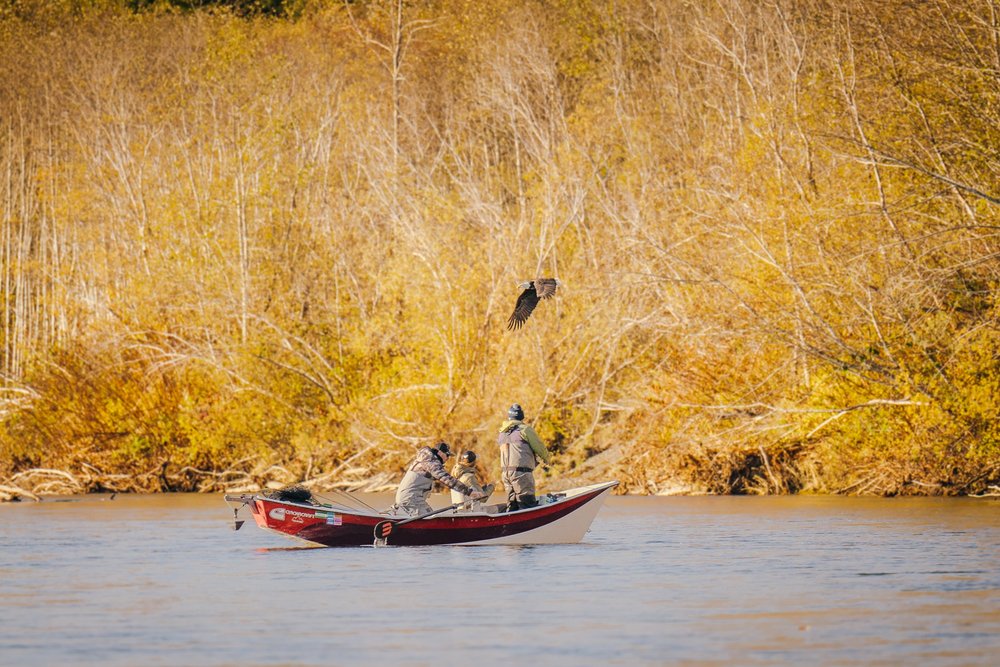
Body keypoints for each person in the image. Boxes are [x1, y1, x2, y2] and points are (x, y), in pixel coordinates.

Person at [393, 442, 487, 516]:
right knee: (431, 520)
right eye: (447, 455)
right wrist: (470, 492)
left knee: (431, 516)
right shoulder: (431, 462)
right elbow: (447, 479)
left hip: (410, 498)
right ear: (440, 453)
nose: (448, 458)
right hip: (411, 498)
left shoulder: (425, 460)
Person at [497, 403, 551, 511]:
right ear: (522, 416)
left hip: (506, 475)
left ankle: (512, 521)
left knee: (512, 506)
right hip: (521, 474)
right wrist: (547, 459)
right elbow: (540, 447)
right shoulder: (525, 430)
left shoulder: (502, 433)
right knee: (528, 506)